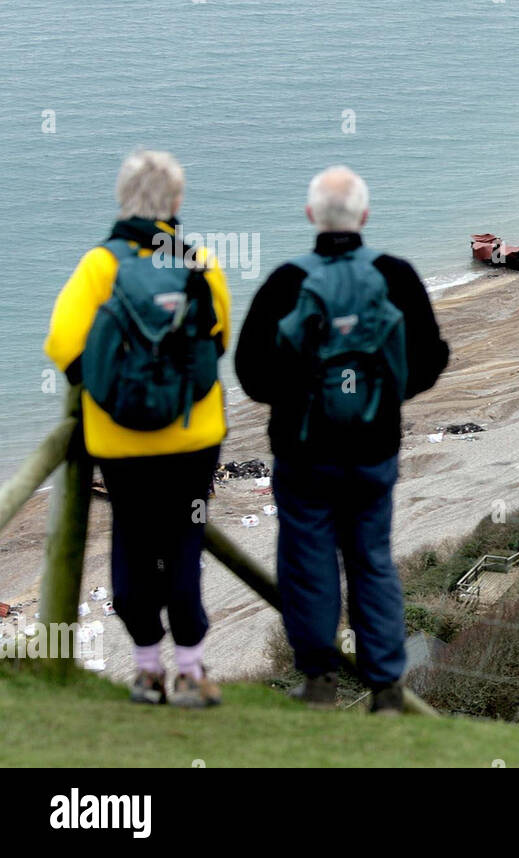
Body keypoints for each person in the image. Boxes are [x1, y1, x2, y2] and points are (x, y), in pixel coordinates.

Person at [235, 166, 449, 714]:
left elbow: (250, 375)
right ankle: (386, 688)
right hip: (374, 449)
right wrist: (384, 398)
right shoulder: (396, 275)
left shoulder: (285, 281)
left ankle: (320, 681)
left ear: (311, 217)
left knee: (308, 561)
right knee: (372, 558)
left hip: (304, 454)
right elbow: (431, 360)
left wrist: (300, 397)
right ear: (364, 217)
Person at [44, 150, 230, 707]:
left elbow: (62, 344)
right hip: (192, 436)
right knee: (184, 542)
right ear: (175, 202)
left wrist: (108, 395)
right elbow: (217, 339)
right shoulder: (196, 259)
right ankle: (192, 672)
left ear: (124, 199)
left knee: (132, 541)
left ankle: (147, 669)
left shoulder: (101, 264)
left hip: (120, 444)